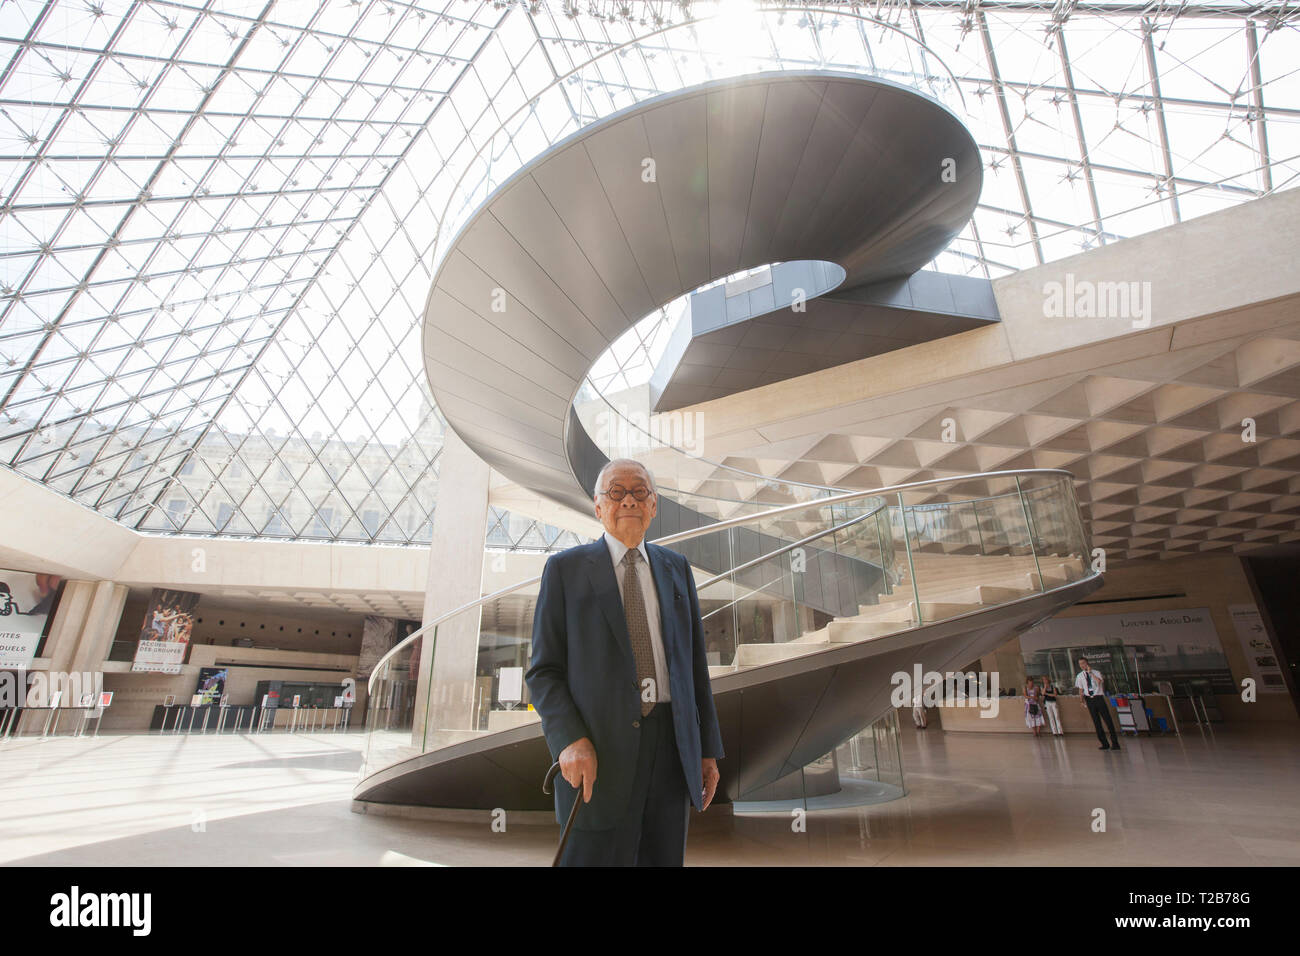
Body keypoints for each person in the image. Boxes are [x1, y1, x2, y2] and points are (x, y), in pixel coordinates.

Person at [525, 458, 725, 866]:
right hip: (597, 752)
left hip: (671, 750)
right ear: (598, 507)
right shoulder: (565, 570)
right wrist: (569, 739)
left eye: (640, 492)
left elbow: (694, 671)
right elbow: (543, 672)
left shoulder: (677, 569)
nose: (629, 500)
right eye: (617, 492)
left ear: (654, 506)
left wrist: (706, 749)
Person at [1075, 657, 1121, 750]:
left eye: (1083, 663)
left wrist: (1090, 673)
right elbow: (1081, 689)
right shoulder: (1079, 676)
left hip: (1098, 698)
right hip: (1089, 699)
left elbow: (1099, 682)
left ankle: (1115, 743)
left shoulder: (1096, 672)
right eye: (1080, 664)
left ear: (1087, 663)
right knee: (1096, 722)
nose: (1082, 665)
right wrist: (1081, 700)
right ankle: (1104, 743)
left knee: (1108, 720)